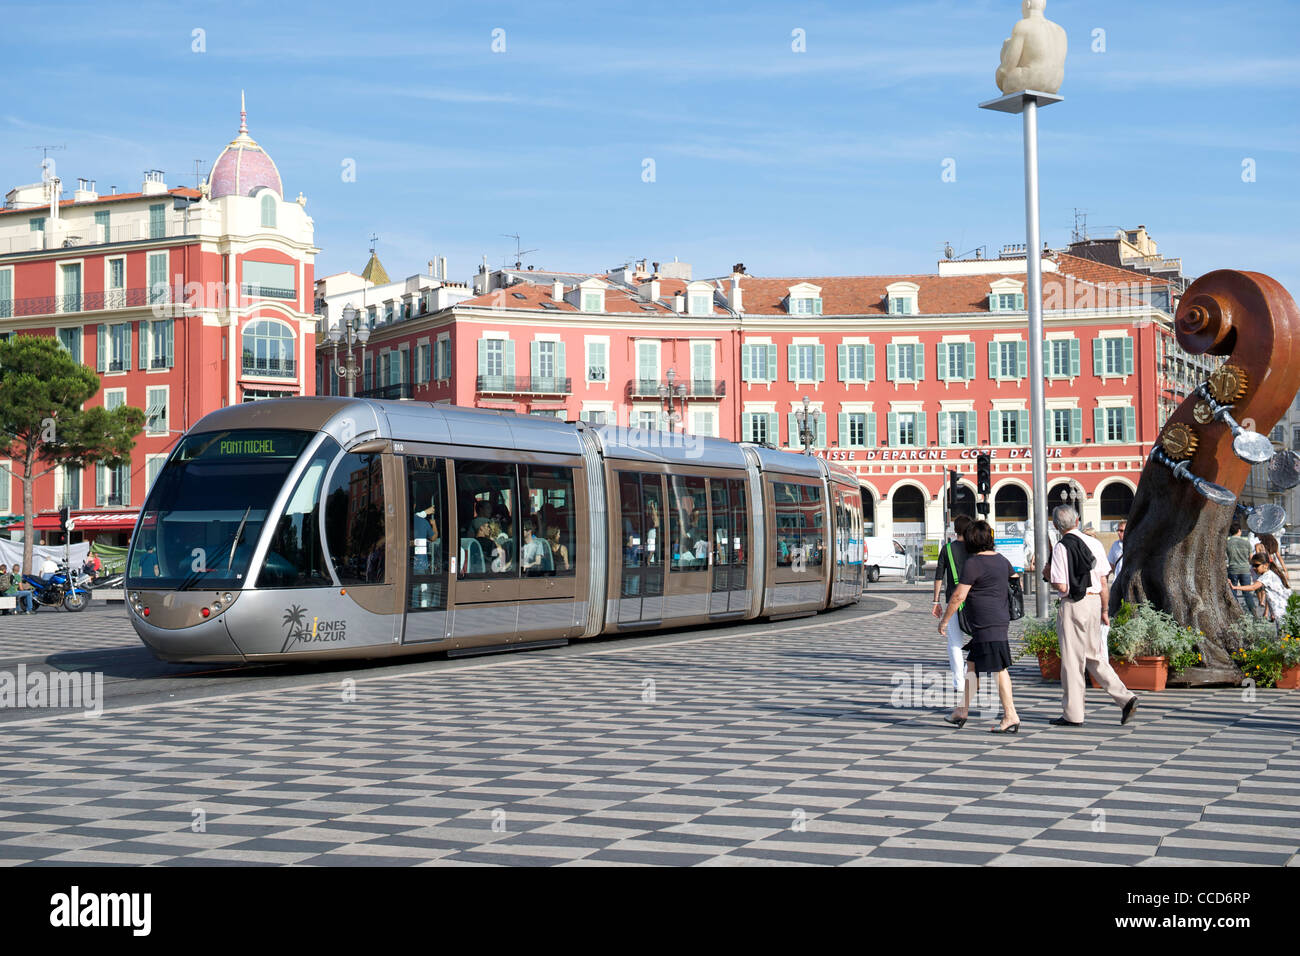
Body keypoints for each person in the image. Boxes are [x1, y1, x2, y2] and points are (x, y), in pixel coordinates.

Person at [1049, 505, 1138, 727]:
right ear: (1077, 521)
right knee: (1094, 655)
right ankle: (1125, 697)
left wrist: (1046, 575)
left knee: (1072, 660)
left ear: (1055, 525)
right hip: (1094, 601)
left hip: (1073, 604)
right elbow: (1103, 581)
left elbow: (1061, 584)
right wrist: (1105, 610)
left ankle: (1073, 714)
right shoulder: (1095, 543)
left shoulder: (1061, 547)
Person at [939, 520, 1021, 733]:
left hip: (987, 623)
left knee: (999, 669)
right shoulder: (1002, 560)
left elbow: (958, 596)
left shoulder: (973, 563)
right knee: (972, 666)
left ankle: (1010, 714)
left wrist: (945, 621)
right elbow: (1015, 580)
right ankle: (962, 710)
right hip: (997, 619)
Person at [932, 514, 972, 723]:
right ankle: (971, 675)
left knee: (955, 643)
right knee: (977, 640)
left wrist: (935, 601)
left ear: (955, 530)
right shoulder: (975, 548)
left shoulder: (947, 549)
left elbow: (939, 575)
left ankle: (959, 682)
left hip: (954, 601)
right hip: (974, 601)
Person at [1232, 555, 1290, 624]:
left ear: (1265, 565)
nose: (1253, 568)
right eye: (1252, 565)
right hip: (1281, 608)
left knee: (1284, 631)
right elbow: (1270, 596)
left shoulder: (1267, 576)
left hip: (1281, 609)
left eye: (1256, 565)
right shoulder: (1269, 574)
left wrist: (1235, 587)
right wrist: (1269, 612)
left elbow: (1253, 587)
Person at [1226, 523, 1258, 617]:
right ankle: (1253, 611)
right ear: (1239, 530)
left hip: (1232, 569)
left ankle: (1234, 613)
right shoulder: (1246, 542)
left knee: (1233, 592)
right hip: (1245, 570)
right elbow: (1251, 558)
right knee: (1247, 592)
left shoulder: (1227, 542)